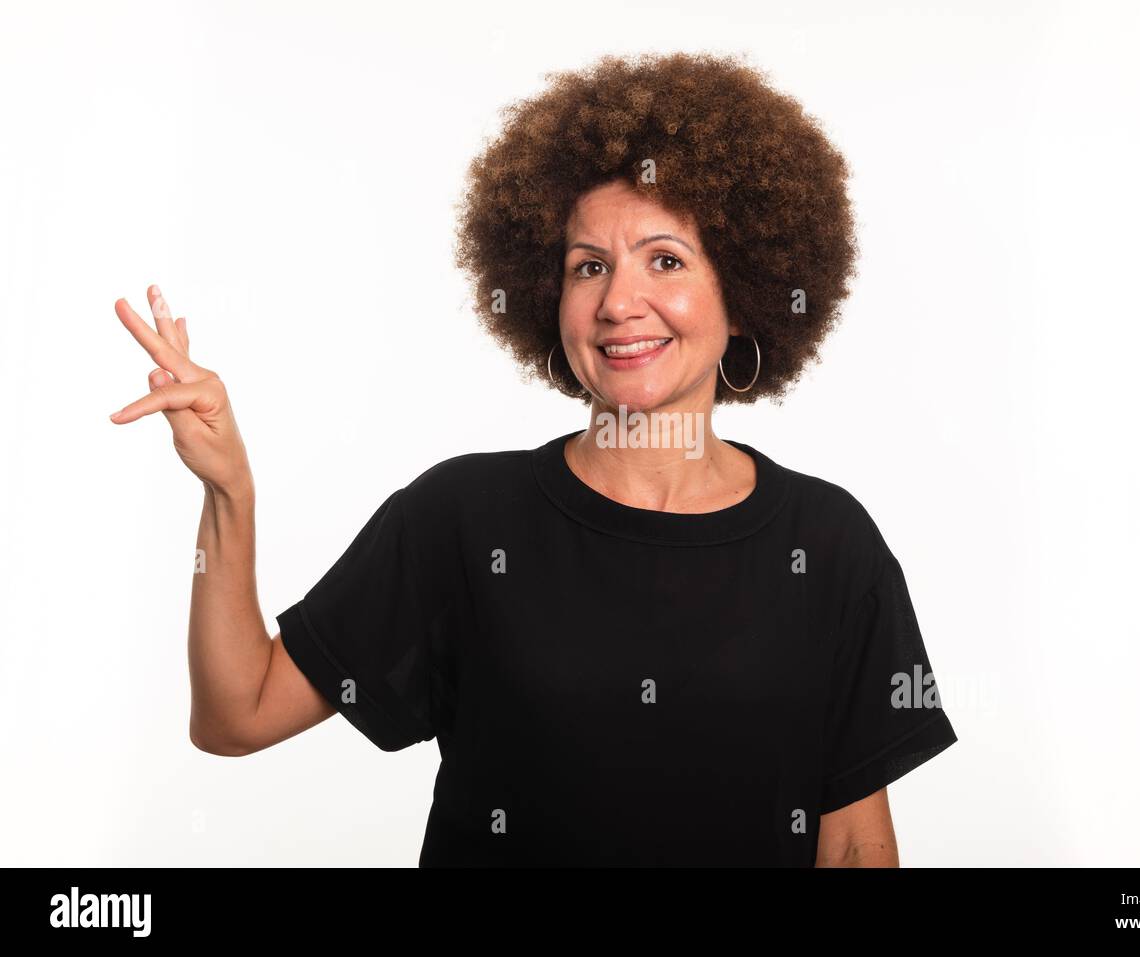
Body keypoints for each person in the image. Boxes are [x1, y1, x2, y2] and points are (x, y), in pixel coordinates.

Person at [109, 51, 957, 867]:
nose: (620, 302)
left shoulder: (831, 542)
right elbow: (235, 714)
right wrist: (229, 491)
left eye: (665, 259)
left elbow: (851, 845)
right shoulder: (463, 517)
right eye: (589, 266)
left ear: (745, 296)